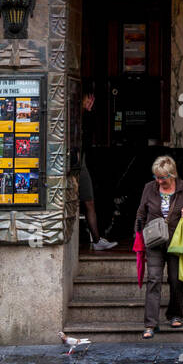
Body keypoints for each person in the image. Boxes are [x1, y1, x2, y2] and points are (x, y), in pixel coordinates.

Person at [134, 155, 183, 338]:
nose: (159, 181)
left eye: (162, 177)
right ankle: (150, 324)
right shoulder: (149, 188)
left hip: (177, 242)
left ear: (172, 175)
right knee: (153, 279)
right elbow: (141, 212)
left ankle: (175, 314)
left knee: (176, 279)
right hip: (154, 242)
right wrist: (138, 235)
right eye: (157, 177)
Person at [79, 80, 116, 251]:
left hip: (81, 162)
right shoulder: (72, 118)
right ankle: (94, 239)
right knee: (86, 202)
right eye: (87, 99)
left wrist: (87, 113)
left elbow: (88, 139)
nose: (90, 102)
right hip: (75, 161)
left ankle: (96, 239)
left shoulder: (85, 117)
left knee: (89, 202)